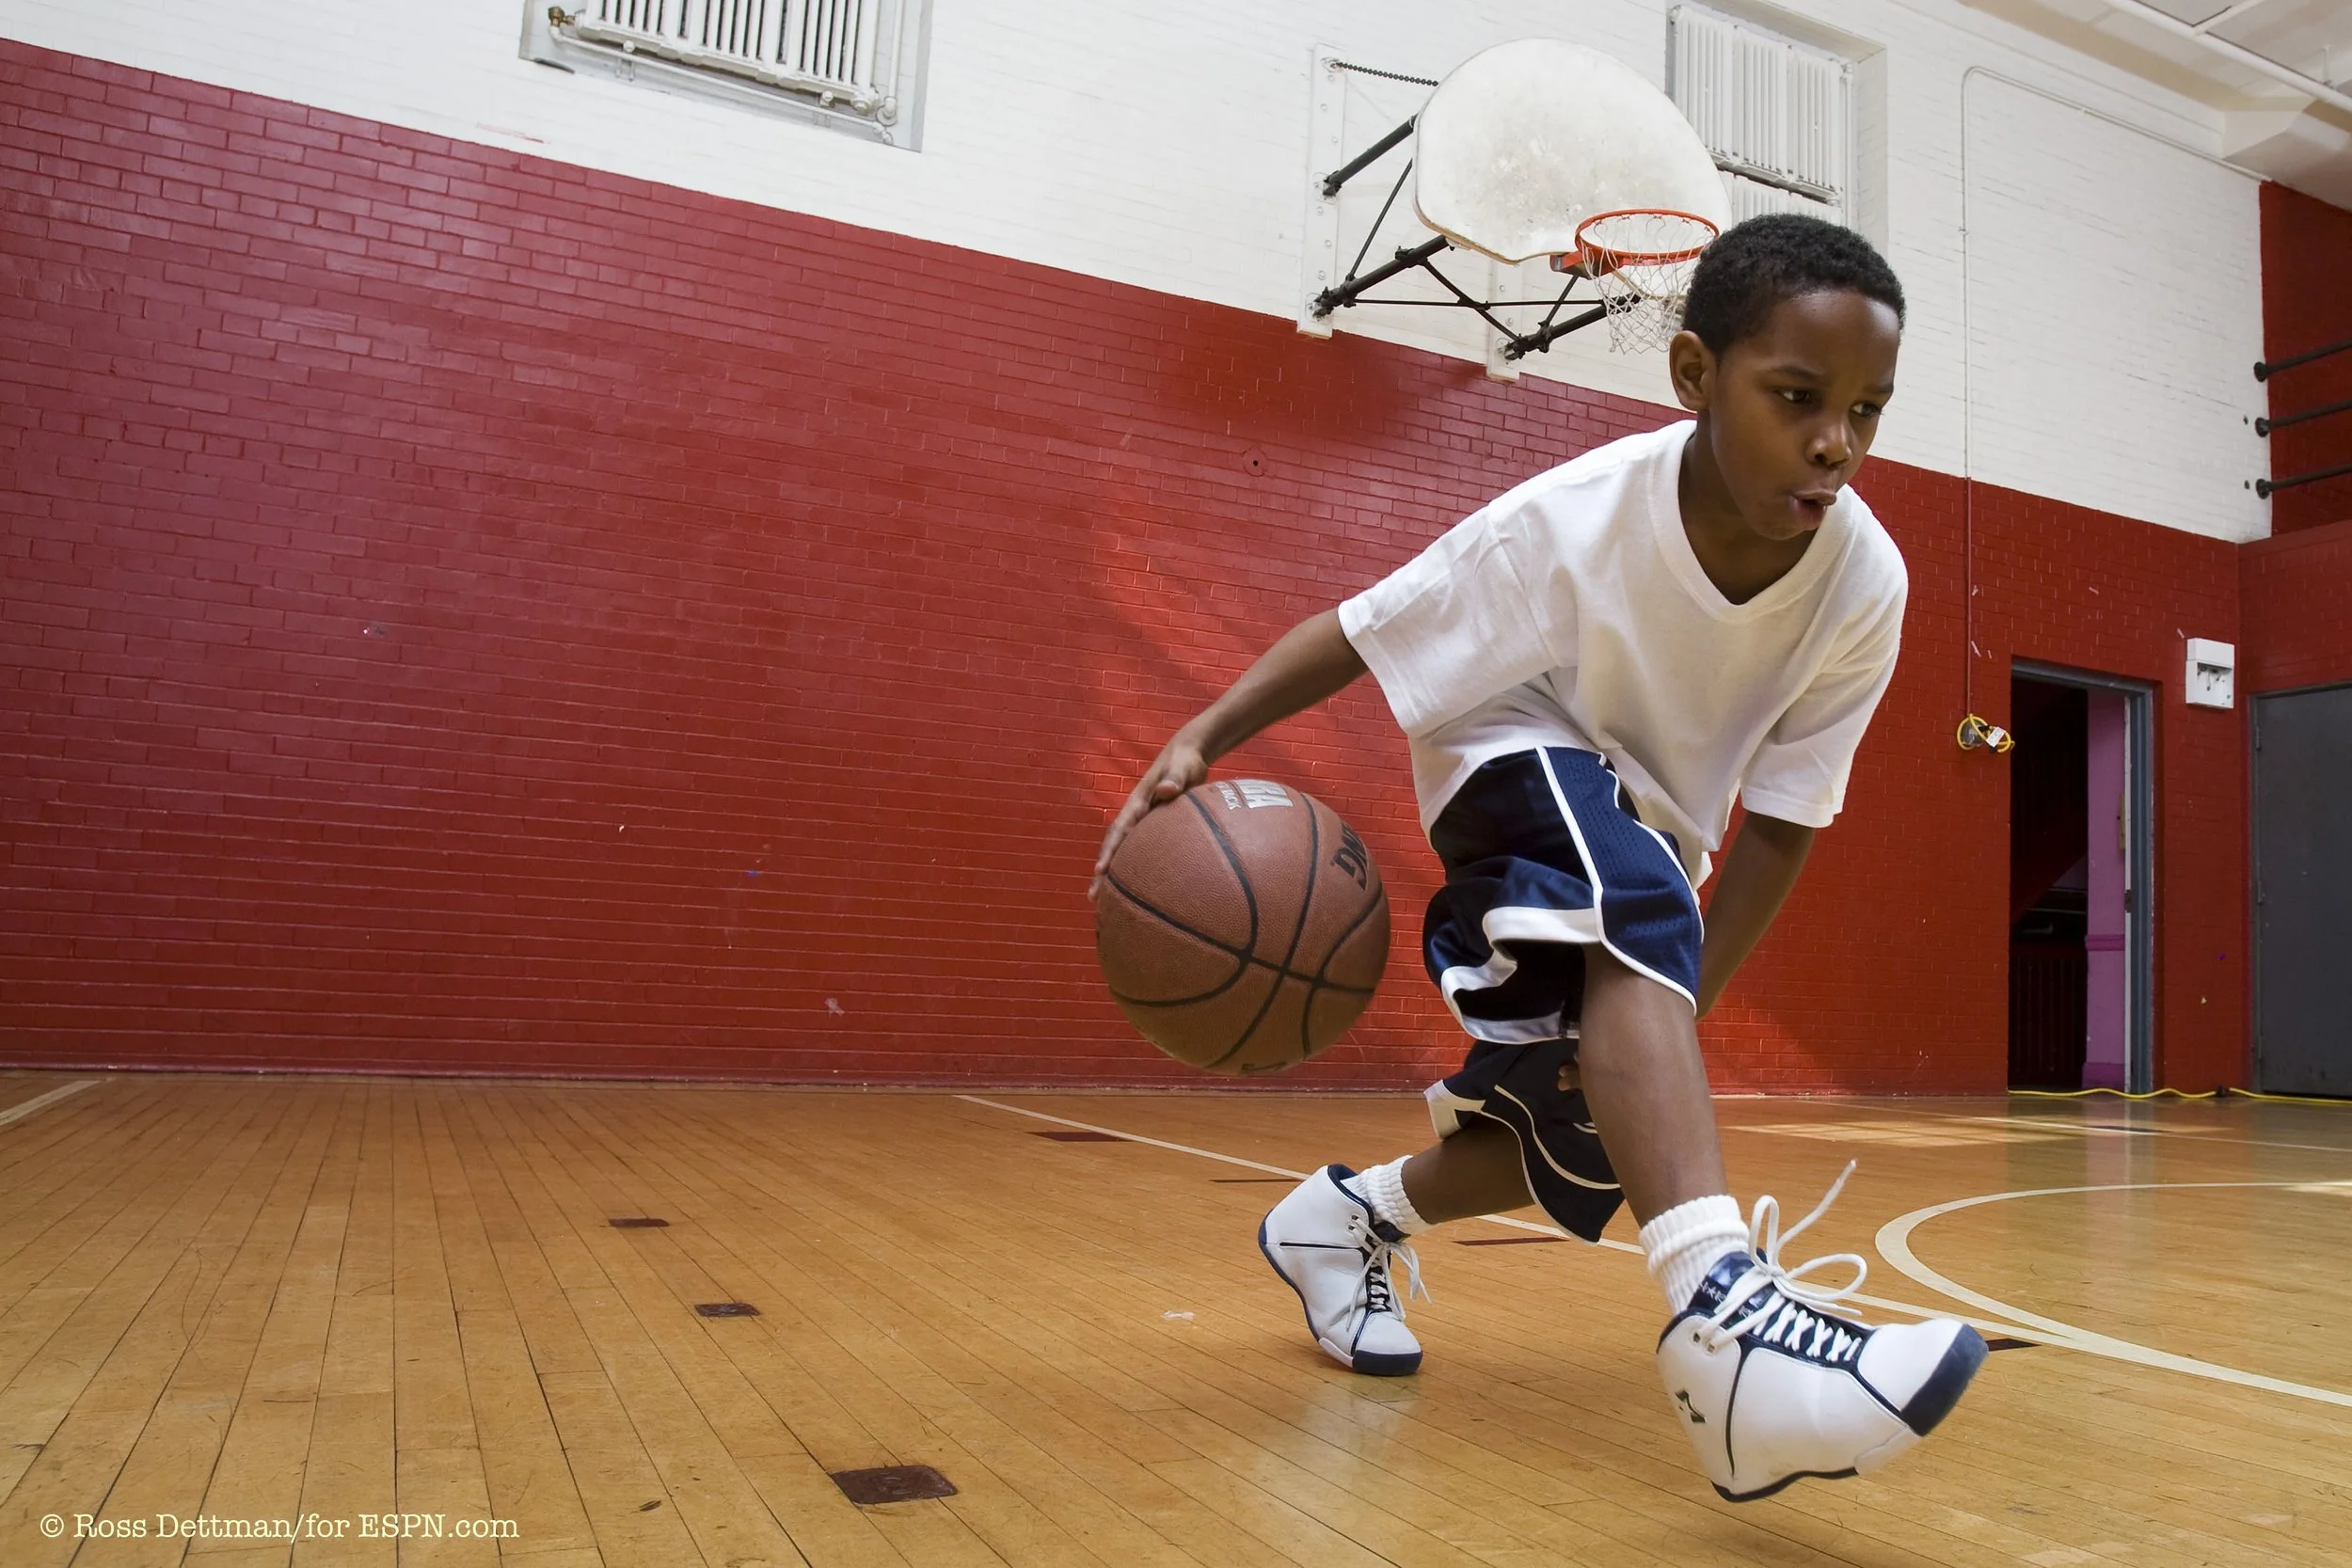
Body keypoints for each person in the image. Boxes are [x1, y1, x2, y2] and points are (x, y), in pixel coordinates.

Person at [1089, 214, 1983, 1502]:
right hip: (1507, 747)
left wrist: (1674, 1011)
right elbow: (1361, 627)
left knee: (1584, 1129)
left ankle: (1343, 1219)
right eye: (1797, 397)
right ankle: (1728, 1333)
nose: (1835, 442)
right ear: (1694, 374)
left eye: (1867, 410)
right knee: (1621, 896)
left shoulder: (1867, 585)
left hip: (1656, 826)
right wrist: (1202, 731)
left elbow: (1785, 819)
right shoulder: (1569, 522)